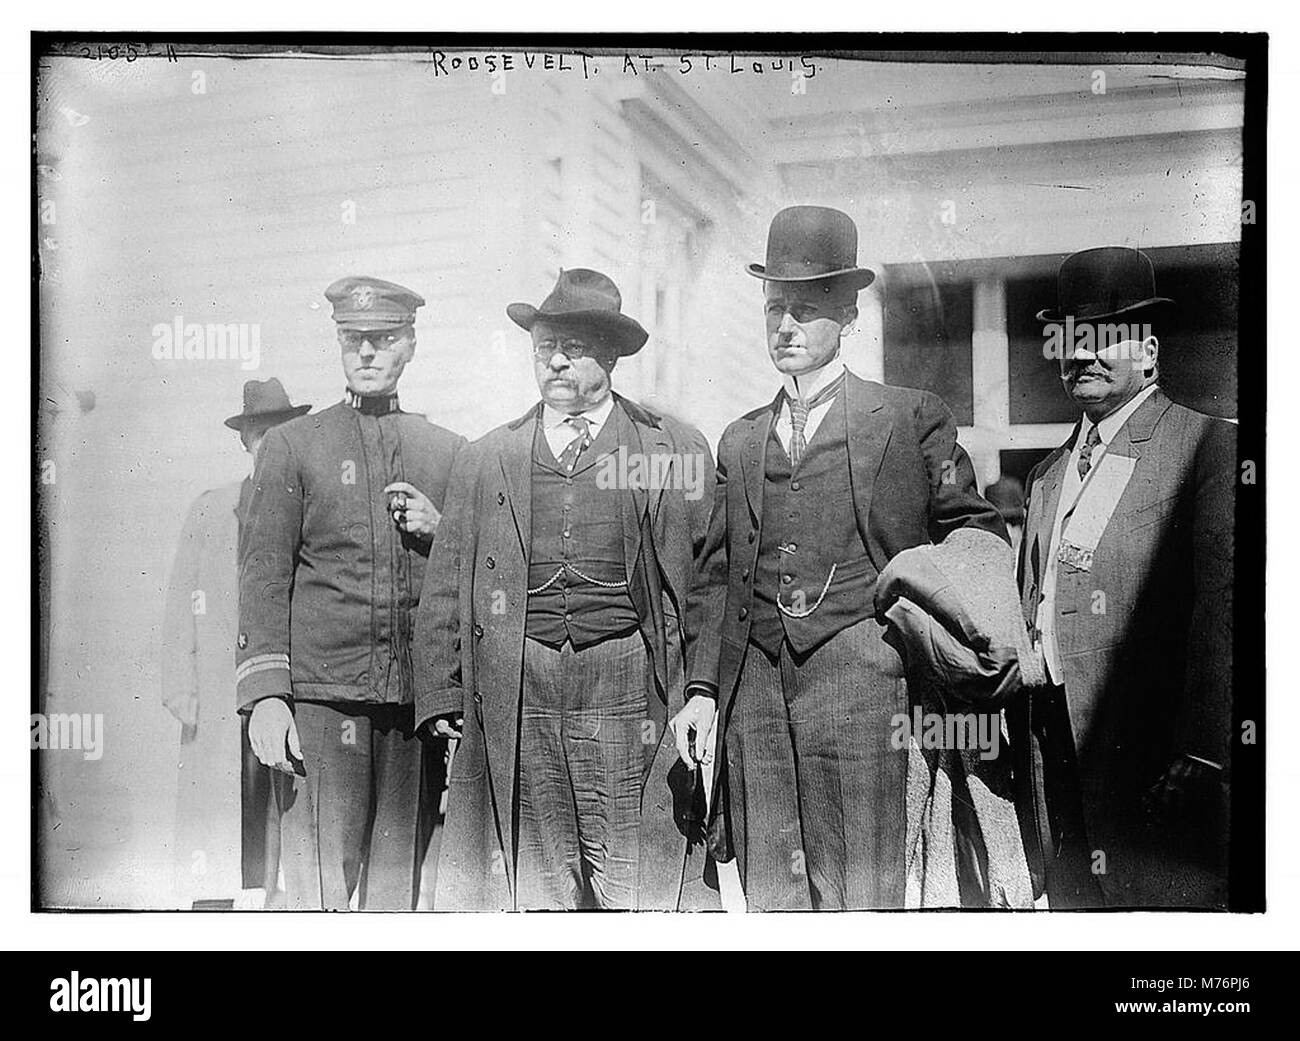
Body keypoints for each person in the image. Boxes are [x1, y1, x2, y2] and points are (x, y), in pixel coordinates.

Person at [674, 206, 1006, 910]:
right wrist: (702, 689)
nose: (786, 326)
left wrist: (929, 631)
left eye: (806, 308)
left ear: (848, 316)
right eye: (775, 308)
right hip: (755, 695)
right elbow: (711, 577)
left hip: (866, 690)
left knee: (865, 889)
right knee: (772, 891)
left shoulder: (911, 417)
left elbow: (976, 534)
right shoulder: (738, 440)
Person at [415, 268, 714, 910]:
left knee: (633, 874)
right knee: (536, 879)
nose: (553, 361)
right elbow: (446, 580)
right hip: (519, 679)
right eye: (544, 347)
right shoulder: (490, 455)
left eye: (572, 348)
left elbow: (706, 580)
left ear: (609, 355)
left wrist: (700, 692)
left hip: (628, 678)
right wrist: (442, 688)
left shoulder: (667, 448)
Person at [1012, 246, 1235, 908]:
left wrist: (1204, 751)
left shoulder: (1205, 447)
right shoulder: (1046, 476)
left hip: (1155, 771)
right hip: (1054, 763)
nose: (1083, 354)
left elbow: (1226, 608)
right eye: (1071, 338)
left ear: (1150, 349)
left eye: (1105, 336)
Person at [237, 277, 464, 910]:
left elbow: (477, 577)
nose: (366, 352)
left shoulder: (447, 453)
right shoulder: (292, 446)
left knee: (397, 894)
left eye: (383, 339)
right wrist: (266, 699)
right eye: (353, 339)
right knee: (317, 897)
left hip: (412, 712)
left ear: (410, 345)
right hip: (320, 705)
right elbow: (262, 576)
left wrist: (442, 532)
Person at [161, 378, 310, 909]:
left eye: (282, 432)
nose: (270, 443)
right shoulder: (210, 509)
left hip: (280, 686)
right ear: (244, 441)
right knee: (218, 826)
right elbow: (182, 598)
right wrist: (179, 682)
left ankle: (279, 909)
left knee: (281, 816)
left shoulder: (308, 509)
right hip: (220, 690)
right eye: (260, 433)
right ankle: (216, 914)